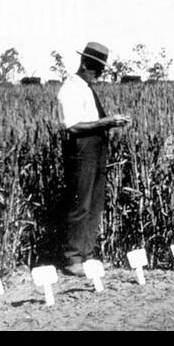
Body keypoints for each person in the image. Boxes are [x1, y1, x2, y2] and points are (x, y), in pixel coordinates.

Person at [56, 42, 130, 276]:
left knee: (95, 203)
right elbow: (74, 127)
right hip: (81, 148)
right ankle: (73, 258)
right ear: (86, 64)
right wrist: (107, 122)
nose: (100, 73)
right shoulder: (70, 88)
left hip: (96, 147)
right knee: (81, 203)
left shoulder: (86, 87)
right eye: (98, 68)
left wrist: (110, 127)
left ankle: (87, 255)